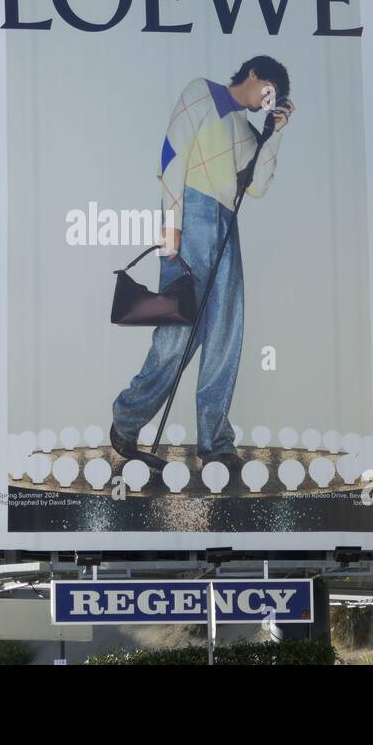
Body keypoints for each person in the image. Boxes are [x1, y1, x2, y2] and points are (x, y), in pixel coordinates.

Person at [111, 55, 293, 475]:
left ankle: (215, 441)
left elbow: (258, 186)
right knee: (178, 333)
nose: (269, 100)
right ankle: (127, 417)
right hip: (191, 214)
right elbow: (171, 156)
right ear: (253, 74)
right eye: (269, 91)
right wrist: (171, 226)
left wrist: (275, 135)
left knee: (226, 332)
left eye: (276, 99)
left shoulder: (248, 130)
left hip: (226, 225)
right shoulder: (202, 92)